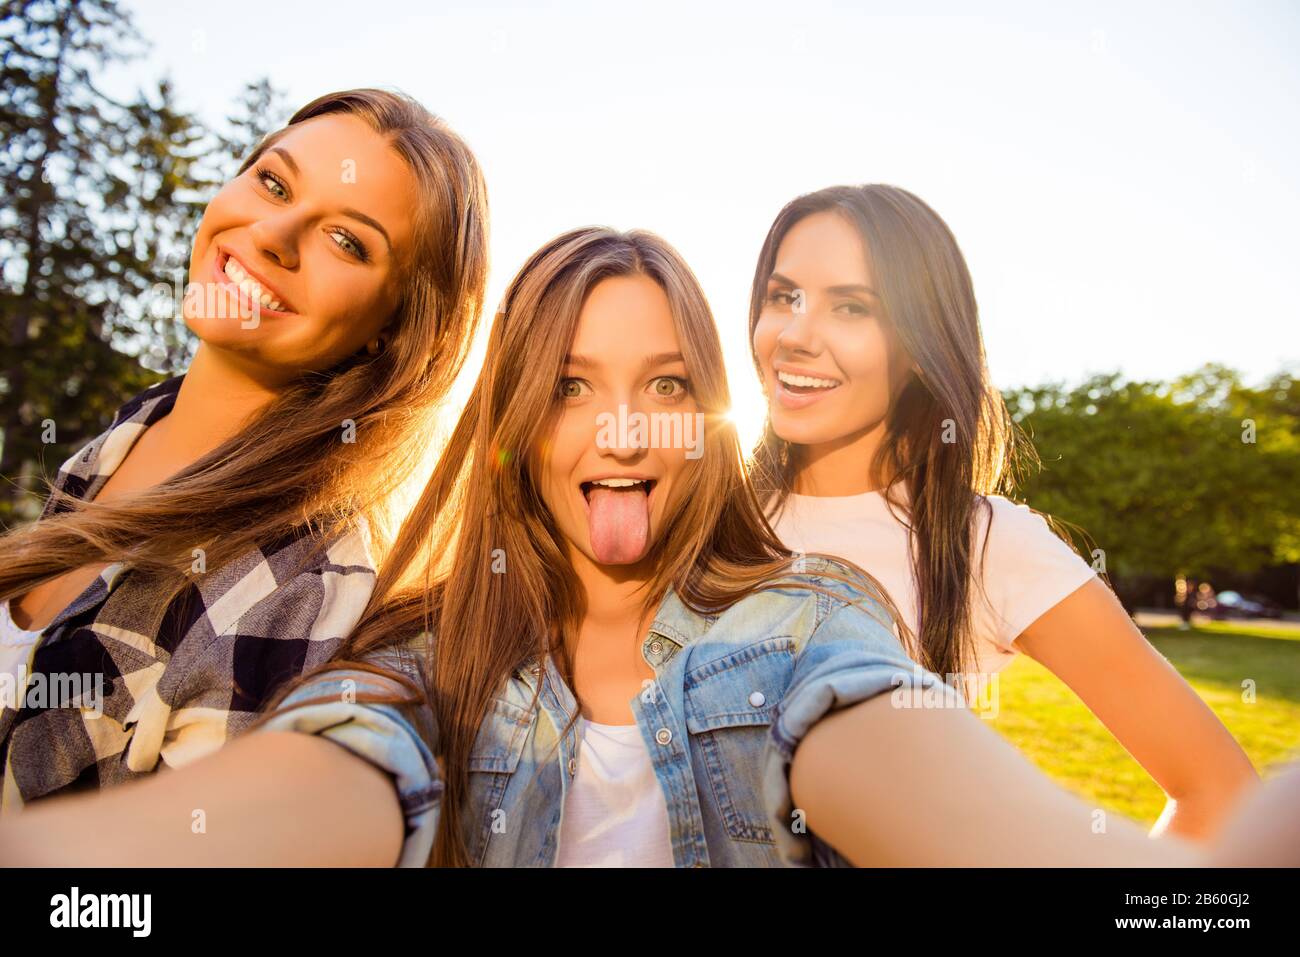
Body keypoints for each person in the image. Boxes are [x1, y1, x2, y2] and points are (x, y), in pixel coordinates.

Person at [5, 227, 1276, 869]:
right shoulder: (412, 652)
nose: (619, 424)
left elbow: (874, 728)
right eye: (567, 385)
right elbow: (324, 777)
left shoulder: (802, 620)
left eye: (665, 382)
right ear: (508, 420)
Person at [0, 88, 488, 810]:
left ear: (395, 328)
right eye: (273, 182)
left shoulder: (308, 595)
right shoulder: (137, 427)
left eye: (347, 241)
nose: (272, 234)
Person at [749, 185, 1256, 840]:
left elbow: (1221, 792)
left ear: (919, 344)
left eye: (851, 306)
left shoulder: (989, 543)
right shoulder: (694, 514)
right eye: (781, 296)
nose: (794, 334)